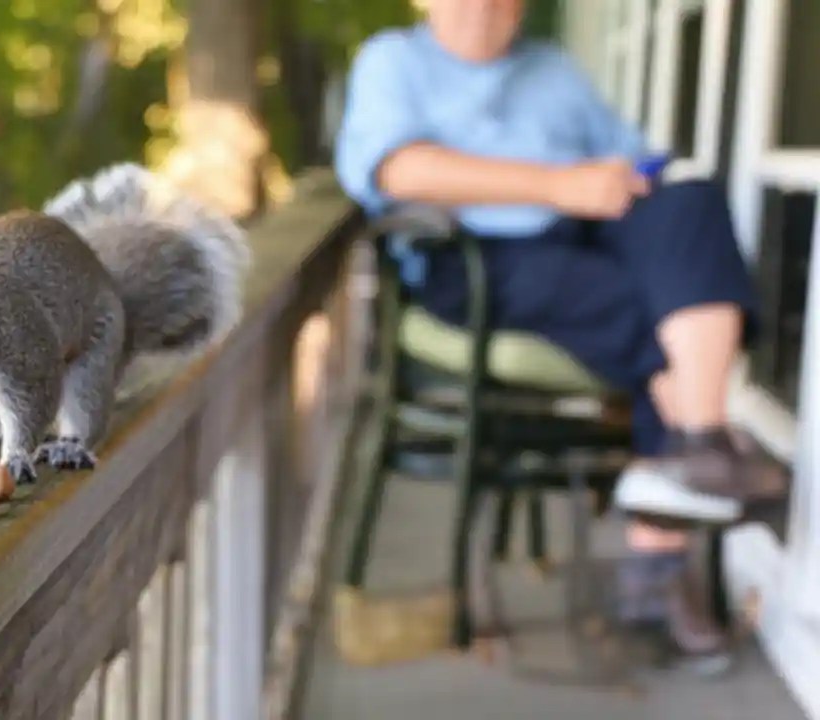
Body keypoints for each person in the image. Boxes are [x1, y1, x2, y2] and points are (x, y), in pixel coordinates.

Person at [333, 0, 787, 674]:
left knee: (690, 201)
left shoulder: (552, 69)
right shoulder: (393, 61)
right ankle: (664, 555)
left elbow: (635, 161)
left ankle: (696, 448)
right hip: (477, 257)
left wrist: (642, 185)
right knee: (660, 320)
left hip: (583, 238)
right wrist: (557, 185)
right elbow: (398, 171)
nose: (488, 6)